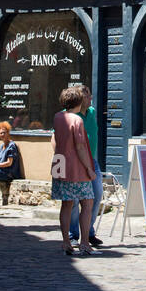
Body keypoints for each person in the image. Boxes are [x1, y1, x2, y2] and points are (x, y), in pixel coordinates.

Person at [51, 86, 96, 254]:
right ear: (78, 101)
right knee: (87, 202)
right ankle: (84, 242)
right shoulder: (77, 120)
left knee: (67, 204)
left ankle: (66, 242)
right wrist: (89, 168)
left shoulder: (58, 117)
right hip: (76, 168)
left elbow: (55, 139)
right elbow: (80, 147)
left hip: (61, 165)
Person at [68, 86, 104, 248]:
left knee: (96, 196)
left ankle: (88, 231)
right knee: (75, 200)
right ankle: (73, 234)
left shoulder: (91, 112)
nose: (90, 99)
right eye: (87, 96)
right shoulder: (68, 115)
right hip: (75, 162)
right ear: (80, 99)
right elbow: (56, 136)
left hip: (92, 162)